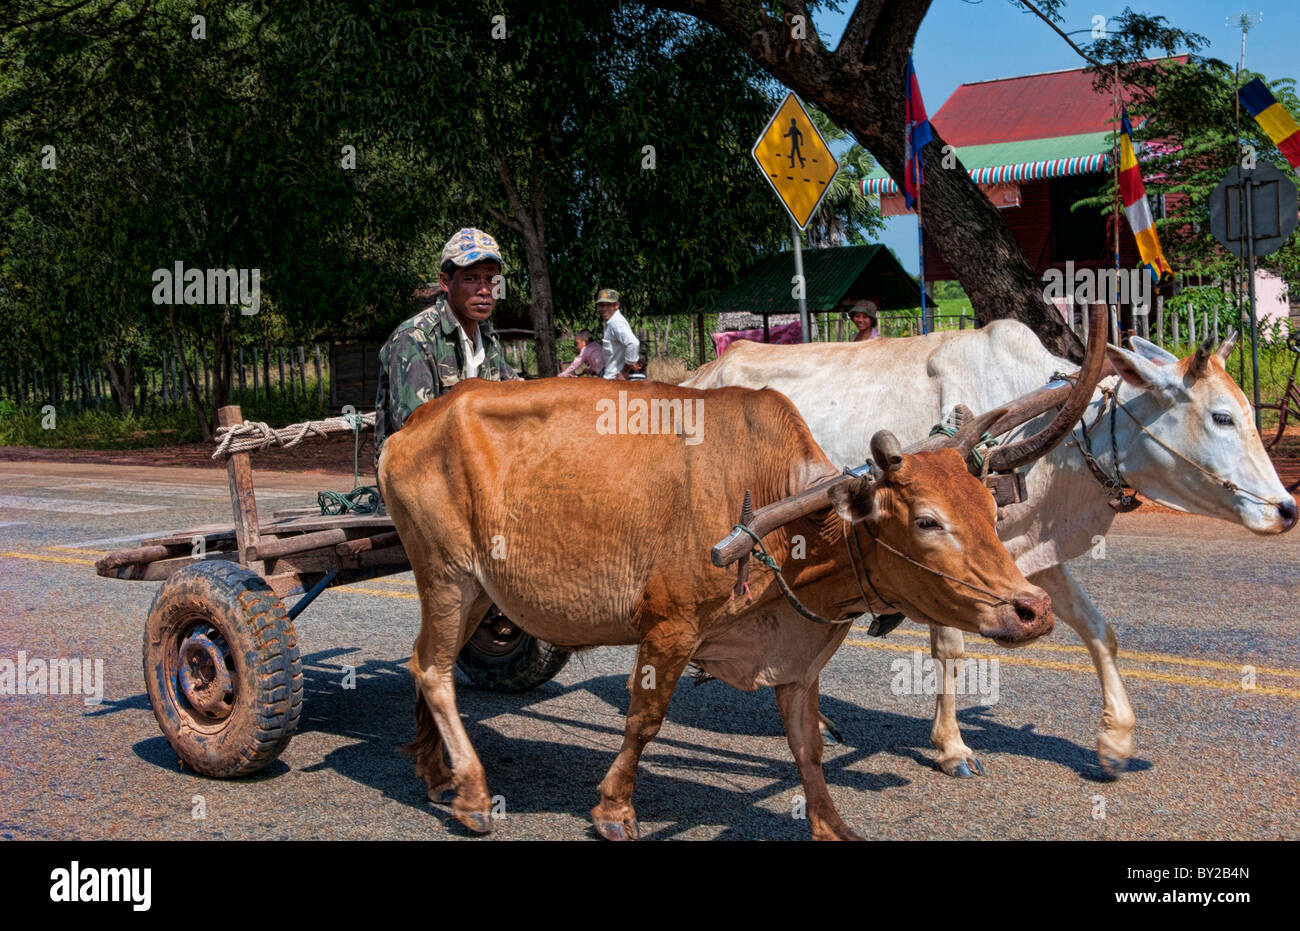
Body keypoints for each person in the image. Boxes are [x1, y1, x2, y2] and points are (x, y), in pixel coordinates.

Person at [374, 227, 520, 464]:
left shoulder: (487, 339)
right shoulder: (416, 338)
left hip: (478, 473)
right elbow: (416, 432)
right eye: (471, 278)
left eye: (492, 279)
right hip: (420, 480)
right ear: (445, 282)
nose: (484, 290)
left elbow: (515, 394)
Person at [596, 289, 640, 380]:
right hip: (613, 379)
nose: (604, 308)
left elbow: (633, 343)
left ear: (617, 305)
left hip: (618, 382)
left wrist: (624, 372)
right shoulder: (612, 322)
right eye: (601, 305)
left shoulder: (616, 323)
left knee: (622, 395)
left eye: (609, 305)